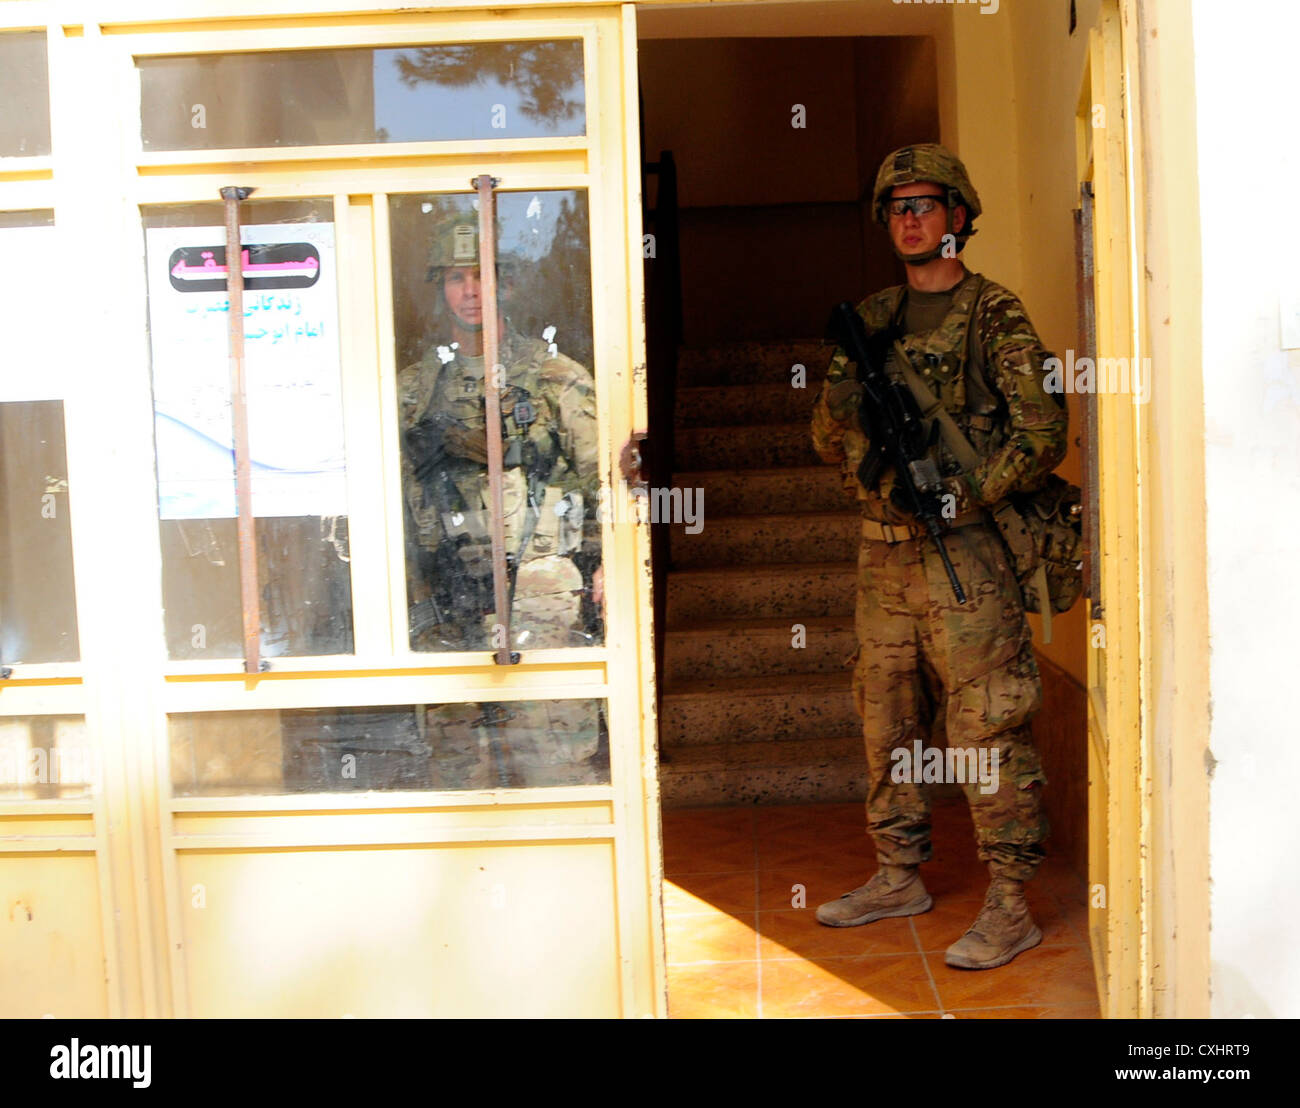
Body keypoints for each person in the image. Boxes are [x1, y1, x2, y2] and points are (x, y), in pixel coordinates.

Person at [810, 144, 1068, 970]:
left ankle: (1009, 902)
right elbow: (823, 437)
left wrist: (969, 492)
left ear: (959, 215)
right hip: (882, 557)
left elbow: (1042, 434)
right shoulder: (872, 316)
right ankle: (898, 873)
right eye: (896, 207)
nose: (910, 218)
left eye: (925, 204)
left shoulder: (996, 315)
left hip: (966, 554)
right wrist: (851, 416)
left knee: (986, 724)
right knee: (885, 718)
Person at [397, 217, 604, 789]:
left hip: (541, 585)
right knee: (459, 767)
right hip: (449, 592)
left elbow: (603, 477)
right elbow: (393, 496)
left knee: (553, 755)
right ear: (441, 288)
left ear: (507, 286)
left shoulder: (554, 376)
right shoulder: (415, 389)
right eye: (456, 278)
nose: (469, 291)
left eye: (483, 276)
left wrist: (607, 563)